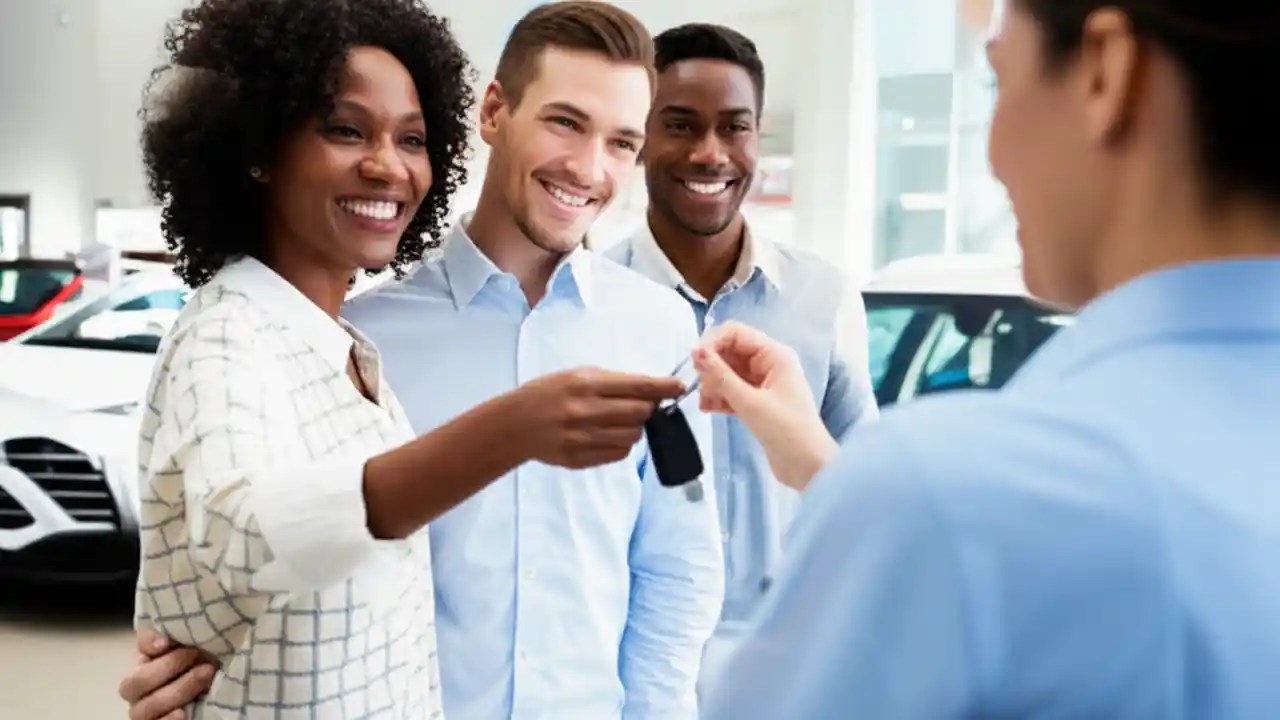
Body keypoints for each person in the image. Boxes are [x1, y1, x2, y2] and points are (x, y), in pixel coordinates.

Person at [120, 3, 724, 720]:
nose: (590, 168)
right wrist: (199, 658)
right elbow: (250, 537)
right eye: (565, 122)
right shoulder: (357, 338)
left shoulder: (656, 329)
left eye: (622, 142)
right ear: (494, 111)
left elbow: (679, 561)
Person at [689, 0, 1280, 717]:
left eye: (998, 80)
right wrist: (828, 468)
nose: (993, 156)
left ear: (1106, 72)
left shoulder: (958, 495)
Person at [601, 22, 877, 679]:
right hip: (633, 668)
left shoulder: (824, 297)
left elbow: (860, 484)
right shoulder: (590, 302)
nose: (710, 153)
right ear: (639, 138)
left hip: (792, 662)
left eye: (734, 126)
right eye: (680, 124)